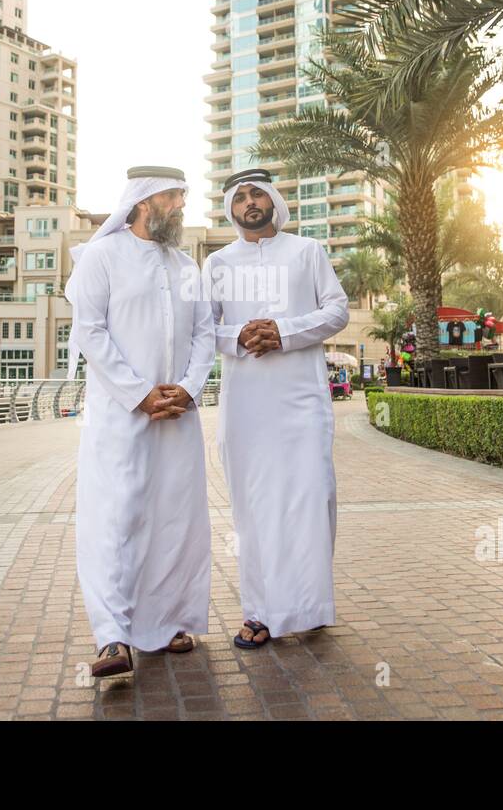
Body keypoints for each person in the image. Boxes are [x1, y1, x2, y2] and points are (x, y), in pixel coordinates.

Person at [64, 166, 216, 679]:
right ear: (145, 201)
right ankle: (113, 636)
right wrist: (139, 394)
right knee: (116, 517)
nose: (181, 206)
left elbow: (204, 335)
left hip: (177, 412)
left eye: (182, 196)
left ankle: (169, 620)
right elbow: (90, 333)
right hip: (119, 413)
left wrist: (187, 388)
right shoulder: (101, 258)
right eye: (174, 196)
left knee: (176, 518)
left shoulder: (186, 267)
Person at [202, 168, 350, 650]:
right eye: (240, 196)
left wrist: (284, 332)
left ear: (273, 201)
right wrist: (241, 336)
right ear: (230, 208)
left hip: (301, 401)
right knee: (255, 507)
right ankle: (260, 613)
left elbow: (337, 310)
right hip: (246, 406)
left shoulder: (307, 251)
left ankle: (308, 606)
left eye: (256, 194)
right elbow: (204, 330)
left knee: (310, 498)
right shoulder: (218, 263)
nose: (249, 202)